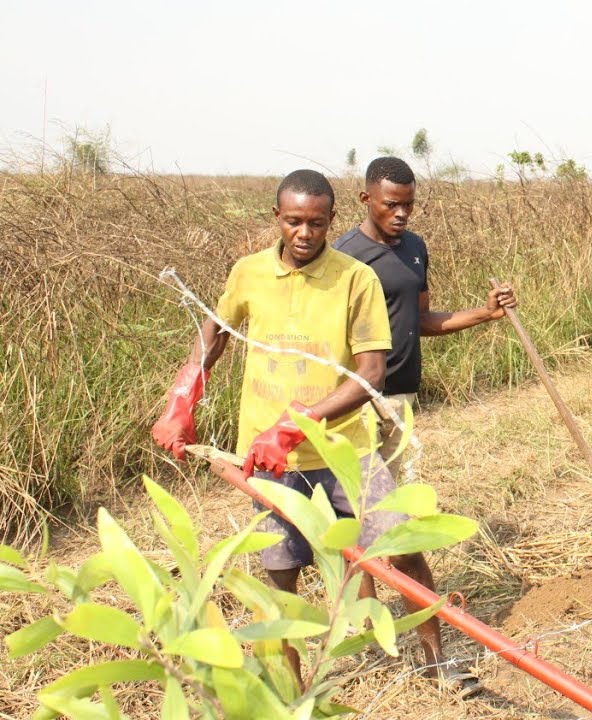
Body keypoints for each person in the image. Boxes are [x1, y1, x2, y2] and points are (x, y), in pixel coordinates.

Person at [150, 169, 451, 689]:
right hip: (270, 459)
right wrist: (182, 399)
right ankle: (293, 690)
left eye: (316, 222)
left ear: (333, 220)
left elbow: (371, 375)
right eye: (294, 222)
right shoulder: (247, 273)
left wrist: (297, 426)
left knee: (399, 547)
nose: (305, 233)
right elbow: (214, 337)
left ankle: (437, 661)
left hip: (343, 451)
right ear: (277, 218)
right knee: (281, 572)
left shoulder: (355, 278)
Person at [332, 155, 515, 692]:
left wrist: (483, 315)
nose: (402, 214)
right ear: (365, 199)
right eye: (392, 204)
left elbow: (424, 321)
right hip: (357, 402)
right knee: (383, 522)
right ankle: (408, 648)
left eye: (409, 204)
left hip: (400, 401)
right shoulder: (344, 256)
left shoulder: (414, 249)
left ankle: (372, 626)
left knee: (383, 513)